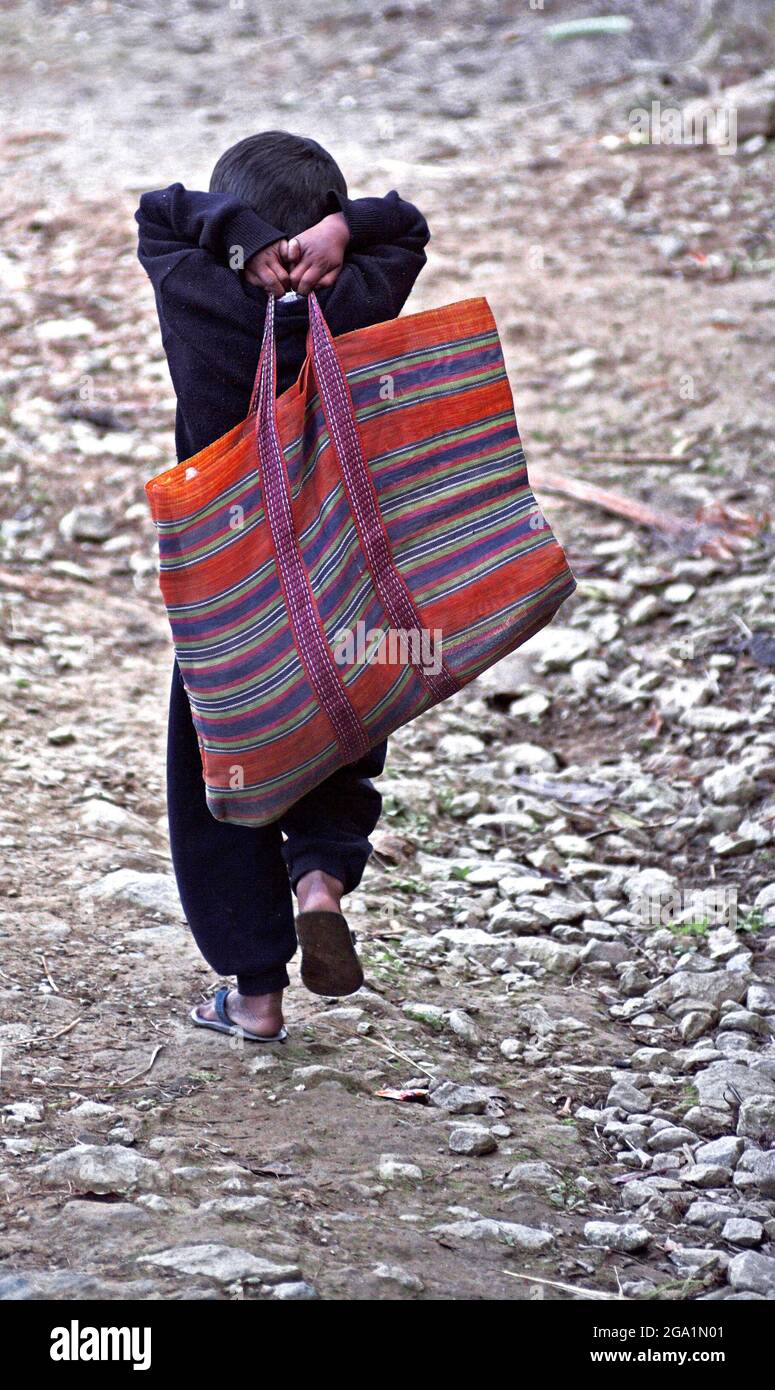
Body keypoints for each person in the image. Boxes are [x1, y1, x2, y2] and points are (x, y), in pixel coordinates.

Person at [135, 131, 430, 1043]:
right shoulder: (365, 286)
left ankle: (254, 995)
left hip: (233, 583)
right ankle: (320, 879)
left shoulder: (199, 289)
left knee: (219, 764)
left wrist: (235, 239)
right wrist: (345, 231)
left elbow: (158, 211)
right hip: (345, 571)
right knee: (343, 731)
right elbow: (406, 226)